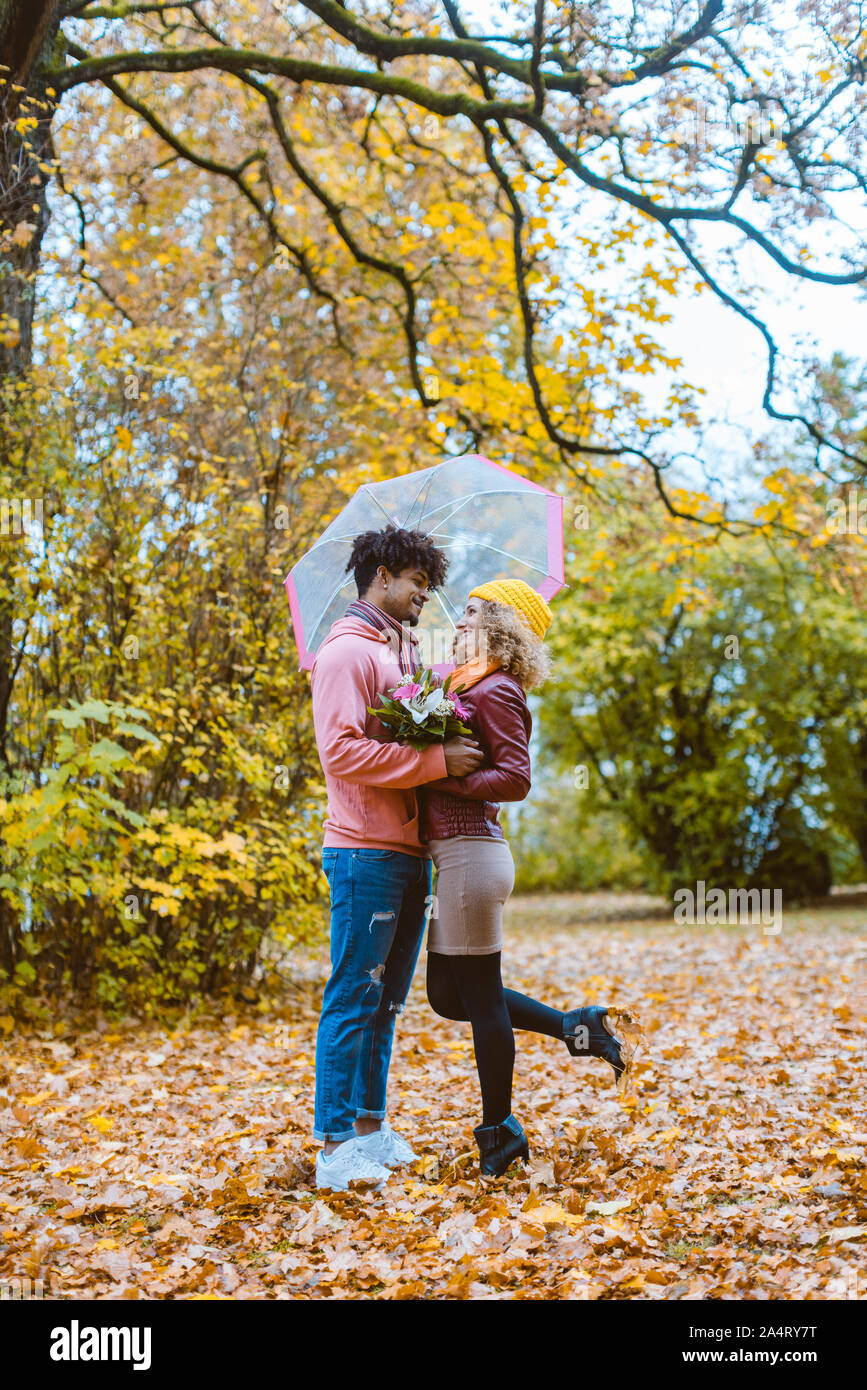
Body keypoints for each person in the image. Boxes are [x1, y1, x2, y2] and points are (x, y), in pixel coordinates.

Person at [420, 579, 625, 1178]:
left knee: (479, 999)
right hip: (455, 857)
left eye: (475, 612)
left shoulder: (499, 690)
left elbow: (515, 778)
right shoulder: (464, 684)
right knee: (446, 997)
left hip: (471, 855)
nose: (460, 620)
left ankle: (500, 1136)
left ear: (504, 626)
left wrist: (440, 779)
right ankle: (573, 1026)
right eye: (462, 611)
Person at [309, 525, 486, 1191]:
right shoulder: (345, 654)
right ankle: (331, 1147)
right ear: (381, 574)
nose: (424, 595)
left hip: (410, 851)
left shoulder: (400, 652)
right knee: (354, 992)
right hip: (363, 853)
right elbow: (342, 752)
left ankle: (368, 1126)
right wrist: (434, 758)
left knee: (385, 999)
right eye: (416, 582)